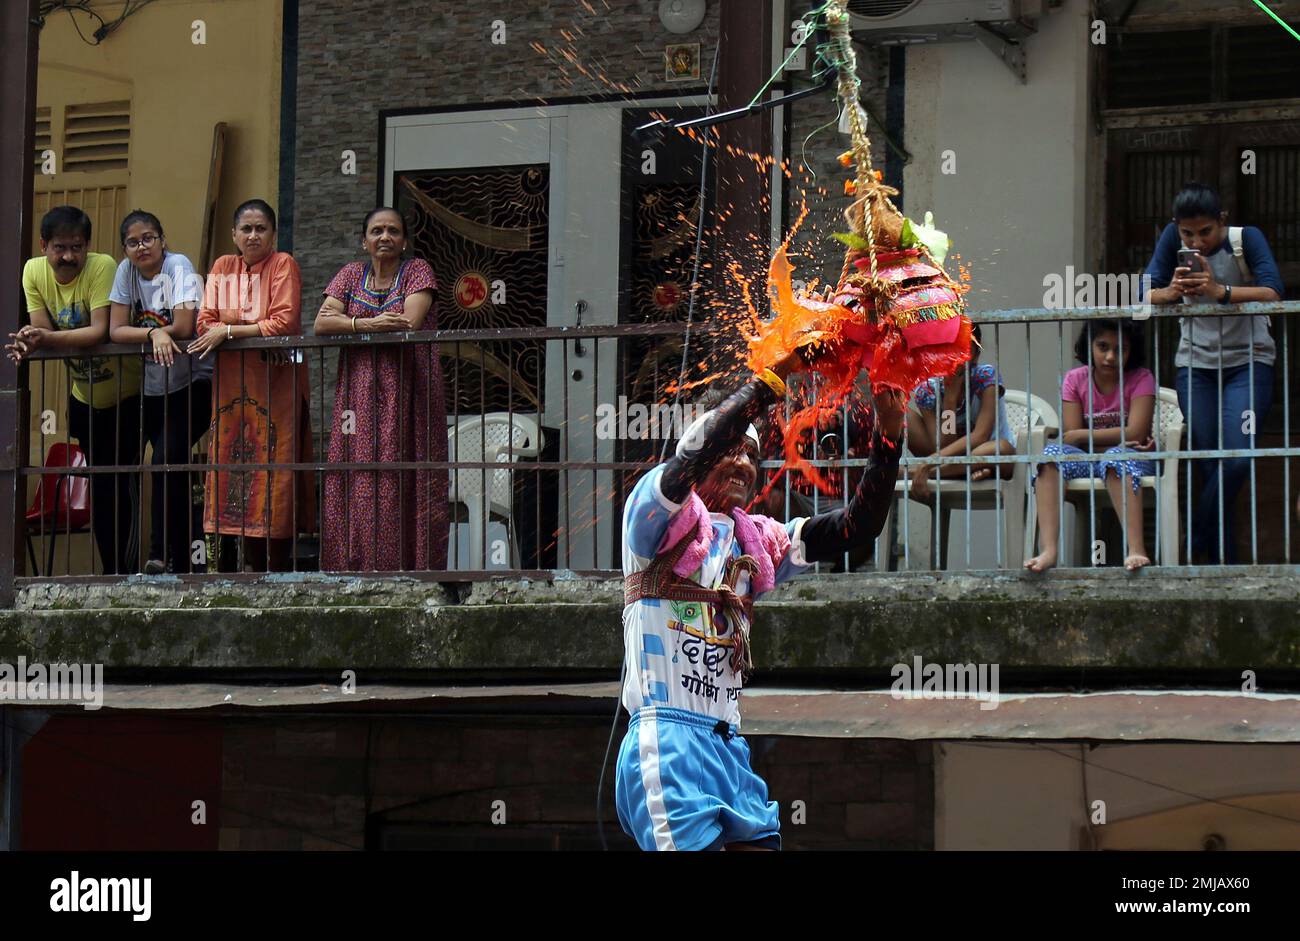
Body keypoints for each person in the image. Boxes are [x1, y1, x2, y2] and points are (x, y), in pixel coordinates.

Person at [615, 346, 905, 851]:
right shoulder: (652, 519)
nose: (744, 463)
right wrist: (774, 380)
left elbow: (859, 526)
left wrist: (890, 435)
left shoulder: (758, 540)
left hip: (728, 747)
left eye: (753, 455)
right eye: (732, 449)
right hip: (666, 745)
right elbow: (690, 459)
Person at [1144, 182, 1284, 564]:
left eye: (1205, 231)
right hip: (1196, 364)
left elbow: (1273, 292)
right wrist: (1170, 291)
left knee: (1237, 456)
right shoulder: (1172, 240)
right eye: (1188, 233)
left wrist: (1219, 290)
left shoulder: (1246, 239)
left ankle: (1194, 539)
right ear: (1176, 226)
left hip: (1249, 360)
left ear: (1221, 221)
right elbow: (1142, 291)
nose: (1197, 240)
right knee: (1208, 461)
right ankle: (1225, 560)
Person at [8, 205, 143, 574]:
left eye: (77, 247)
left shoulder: (102, 267)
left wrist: (46, 338)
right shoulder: (33, 271)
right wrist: (35, 339)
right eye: (59, 248)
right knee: (99, 488)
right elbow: (40, 329)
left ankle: (126, 574)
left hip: (128, 397)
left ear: (88, 246)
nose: (69, 256)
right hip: (82, 398)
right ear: (43, 246)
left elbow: (99, 330)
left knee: (122, 485)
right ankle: (110, 573)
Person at [313, 207, 449, 571]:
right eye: (376, 231)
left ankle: (414, 571)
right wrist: (366, 323)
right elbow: (321, 323)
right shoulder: (350, 274)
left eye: (393, 230)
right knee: (357, 475)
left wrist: (352, 323)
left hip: (410, 392)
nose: (384, 237)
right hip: (358, 394)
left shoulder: (418, 271)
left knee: (409, 475)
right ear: (364, 240)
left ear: (404, 241)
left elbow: (408, 322)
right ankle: (354, 569)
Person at [189, 199, 315, 572]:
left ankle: (273, 572)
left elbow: (283, 323)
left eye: (261, 228)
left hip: (276, 386)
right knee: (232, 471)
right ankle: (240, 571)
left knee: (276, 471)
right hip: (232, 388)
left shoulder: (283, 264)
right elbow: (202, 324)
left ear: (273, 235)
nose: (253, 235)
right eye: (246, 228)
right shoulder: (223, 267)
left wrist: (228, 330)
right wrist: (245, 326)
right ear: (234, 235)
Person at [108, 210, 213, 574]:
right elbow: (116, 330)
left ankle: (158, 554)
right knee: (174, 468)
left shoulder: (178, 266)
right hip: (154, 389)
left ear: (162, 240)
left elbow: (184, 325)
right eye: (133, 242)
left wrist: (164, 331)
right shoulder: (127, 273)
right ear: (125, 249)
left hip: (195, 383)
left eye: (149, 238)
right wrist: (153, 332)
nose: (142, 247)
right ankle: (185, 563)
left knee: (165, 459)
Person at [1025, 320, 1156, 573]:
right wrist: (1103, 436)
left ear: (1132, 351)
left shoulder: (1142, 378)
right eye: (1103, 346)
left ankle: (1136, 548)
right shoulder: (1075, 379)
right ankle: (1049, 550)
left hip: (1132, 458)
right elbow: (1073, 435)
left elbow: (1136, 432)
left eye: (1121, 349)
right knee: (1051, 455)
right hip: (1087, 460)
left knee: (1117, 457)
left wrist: (1083, 436)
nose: (1110, 356)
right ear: (1089, 345)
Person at [905, 324, 1017, 501]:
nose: (956, 359)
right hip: (945, 456)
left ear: (976, 356)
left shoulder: (986, 378)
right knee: (905, 417)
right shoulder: (928, 390)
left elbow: (980, 436)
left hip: (986, 452)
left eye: (963, 351)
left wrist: (930, 462)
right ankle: (962, 470)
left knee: (1002, 449)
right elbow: (941, 446)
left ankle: (911, 472)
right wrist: (950, 401)